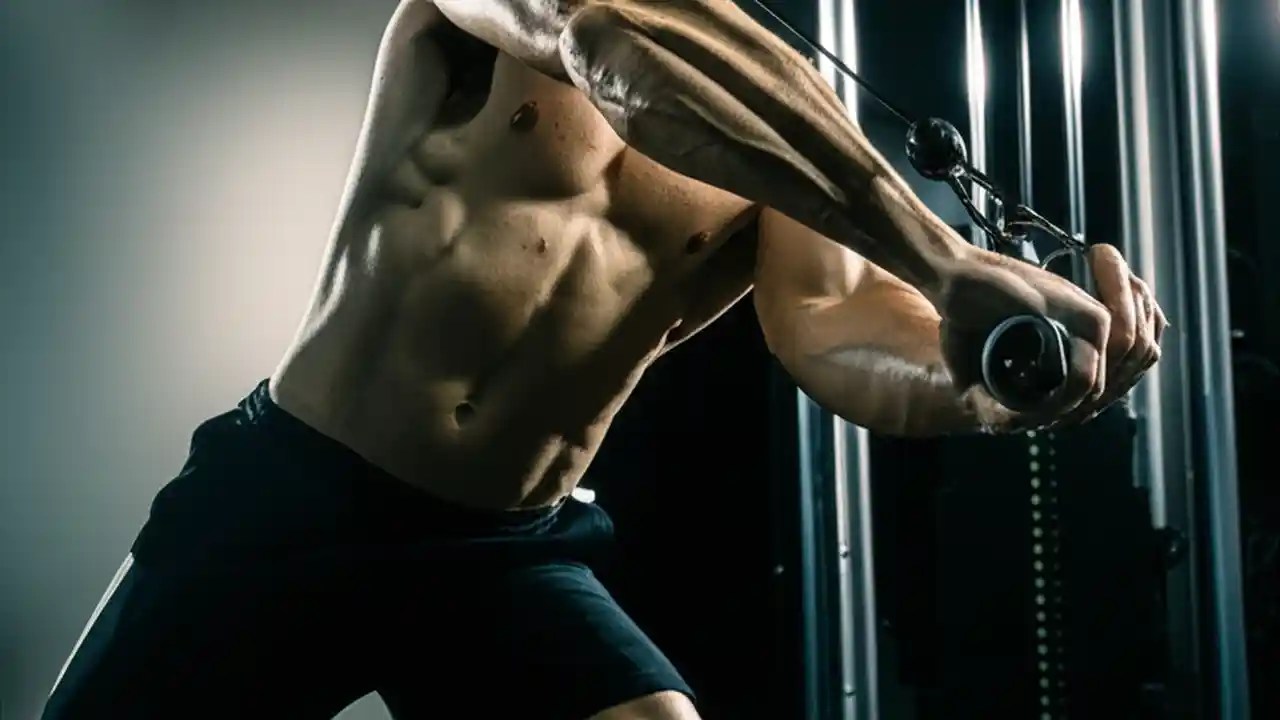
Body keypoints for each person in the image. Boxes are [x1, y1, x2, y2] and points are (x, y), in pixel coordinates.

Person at [43, 1, 1167, 718]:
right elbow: (616, 50)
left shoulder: (799, 126)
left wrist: (991, 384)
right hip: (294, 497)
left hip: (501, 551)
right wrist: (940, 259)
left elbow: (832, 329)